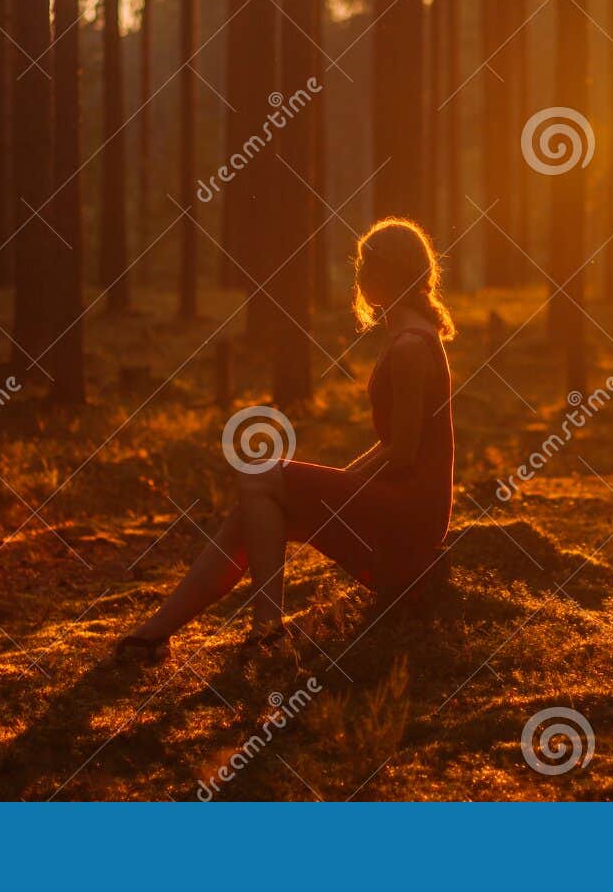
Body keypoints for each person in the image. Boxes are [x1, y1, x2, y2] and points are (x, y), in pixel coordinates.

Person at [115, 217, 456, 665]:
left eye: (364, 267)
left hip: (411, 513)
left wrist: (337, 486)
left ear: (382, 275)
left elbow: (404, 451)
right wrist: (339, 484)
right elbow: (397, 446)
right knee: (253, 509)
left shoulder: (411, 347)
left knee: (261, 474)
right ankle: (156, 634)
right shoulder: (407, 337)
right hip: (401, 500)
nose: (358, 277)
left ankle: (266, 632)